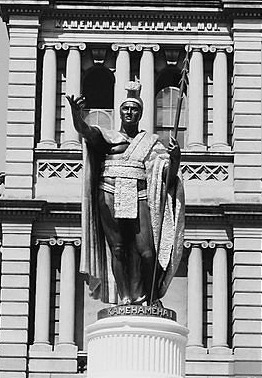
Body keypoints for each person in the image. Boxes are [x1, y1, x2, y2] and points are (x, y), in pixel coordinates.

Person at [67, 82, 184, 306]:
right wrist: (76, 115)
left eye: (134, 109)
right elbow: (86, 131)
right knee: (118, 249)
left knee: (147, 252)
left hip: (139, 194)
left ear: (140, 113)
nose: (129, 112)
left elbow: (166, 176)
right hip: (109, 192)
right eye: (126, 109)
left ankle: (148, 297)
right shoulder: (108, 137)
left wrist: (175, 158)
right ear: (120, 112)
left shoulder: (151, 143)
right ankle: (126, 298)